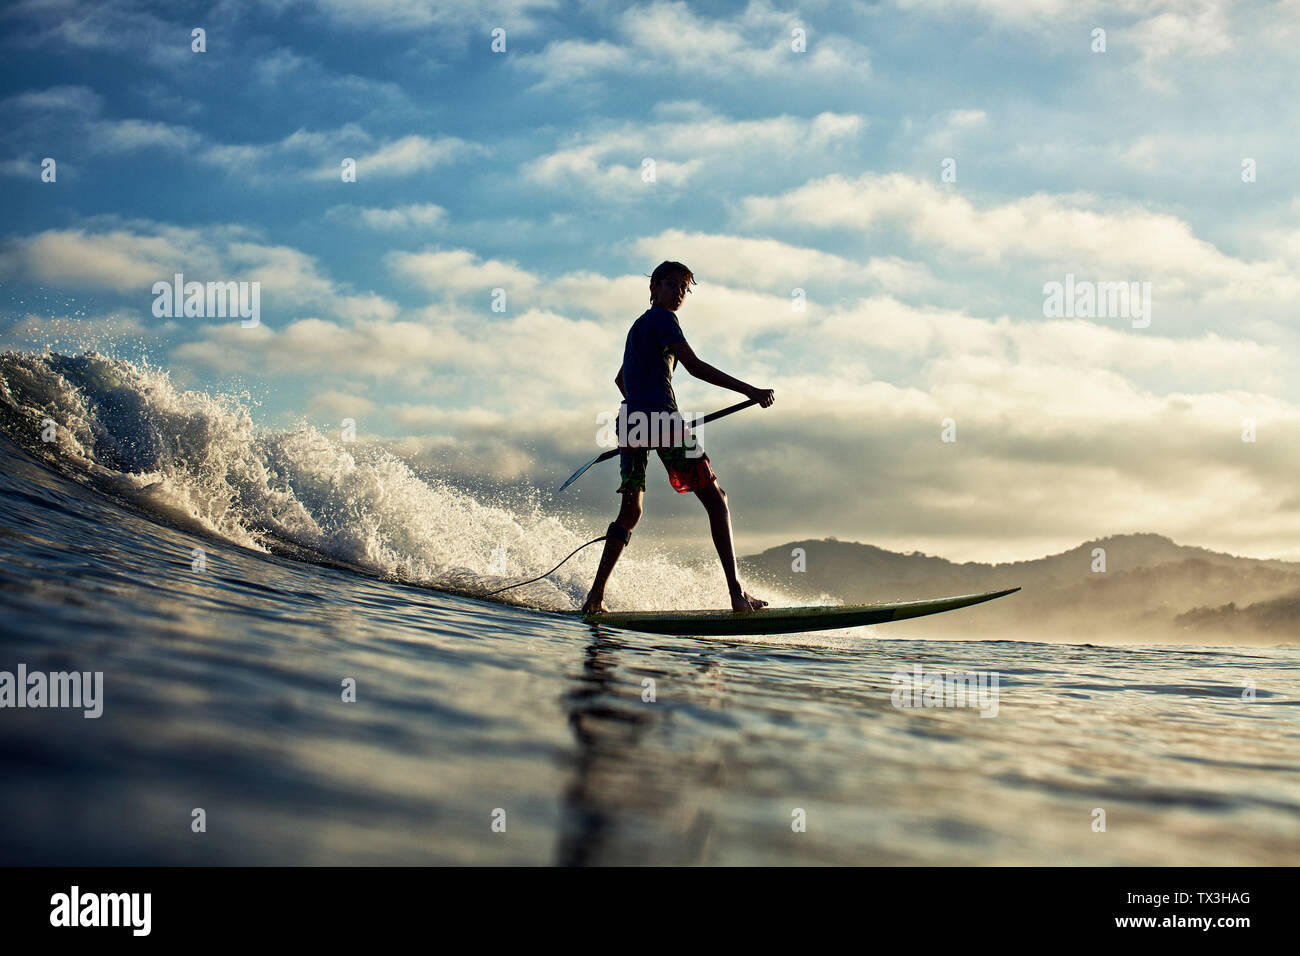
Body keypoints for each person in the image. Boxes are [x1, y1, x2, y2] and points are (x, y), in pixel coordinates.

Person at [581, 261, 775, 614]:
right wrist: (750, 390)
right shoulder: (663, 320)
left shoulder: (638, 327)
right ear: (653, 287)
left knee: (630, 511)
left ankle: (595, 598)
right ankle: (737, 595)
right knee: (717, 499)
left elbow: (621, 381)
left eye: (684, 289)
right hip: (664, 423)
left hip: (631, 423)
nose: (679, 293)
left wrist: (642, 414)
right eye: (672, 285)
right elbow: (695, 367)